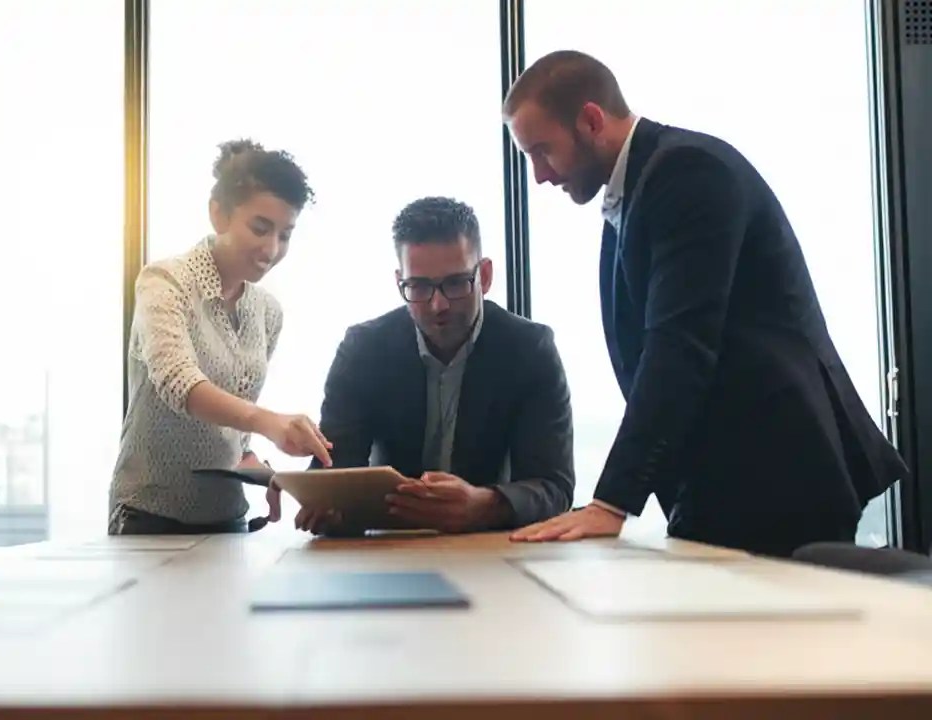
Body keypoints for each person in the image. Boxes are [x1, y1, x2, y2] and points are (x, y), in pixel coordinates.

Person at [502, 50, 908, 556]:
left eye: (542, 151)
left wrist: (612, 501)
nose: (539, 176)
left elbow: (679, 345)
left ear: (590, 120)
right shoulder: (639, 188)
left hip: (779, 479)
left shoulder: (689, 173)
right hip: (731, 481)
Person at [297, 196, 575, 535]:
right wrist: (328, 505)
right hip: (390, 543)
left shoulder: (530, 349)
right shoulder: (364, 349)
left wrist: (484, 505)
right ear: (399, 282)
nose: (438, 304)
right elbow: (335, 466)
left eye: (456, 283)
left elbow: (555, 487)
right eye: (419, 286)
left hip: (488, 542)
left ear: (485, 276)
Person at [109, 139, 333, 535]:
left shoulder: (267, 312)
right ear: (218, 214)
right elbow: (178, 382)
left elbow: (235, 433)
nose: (271, 249)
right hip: (149, 515)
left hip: (227, 519)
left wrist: (265, 472)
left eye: (285, 234)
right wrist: (271, 423)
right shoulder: (165, 282)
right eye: (260, 228)